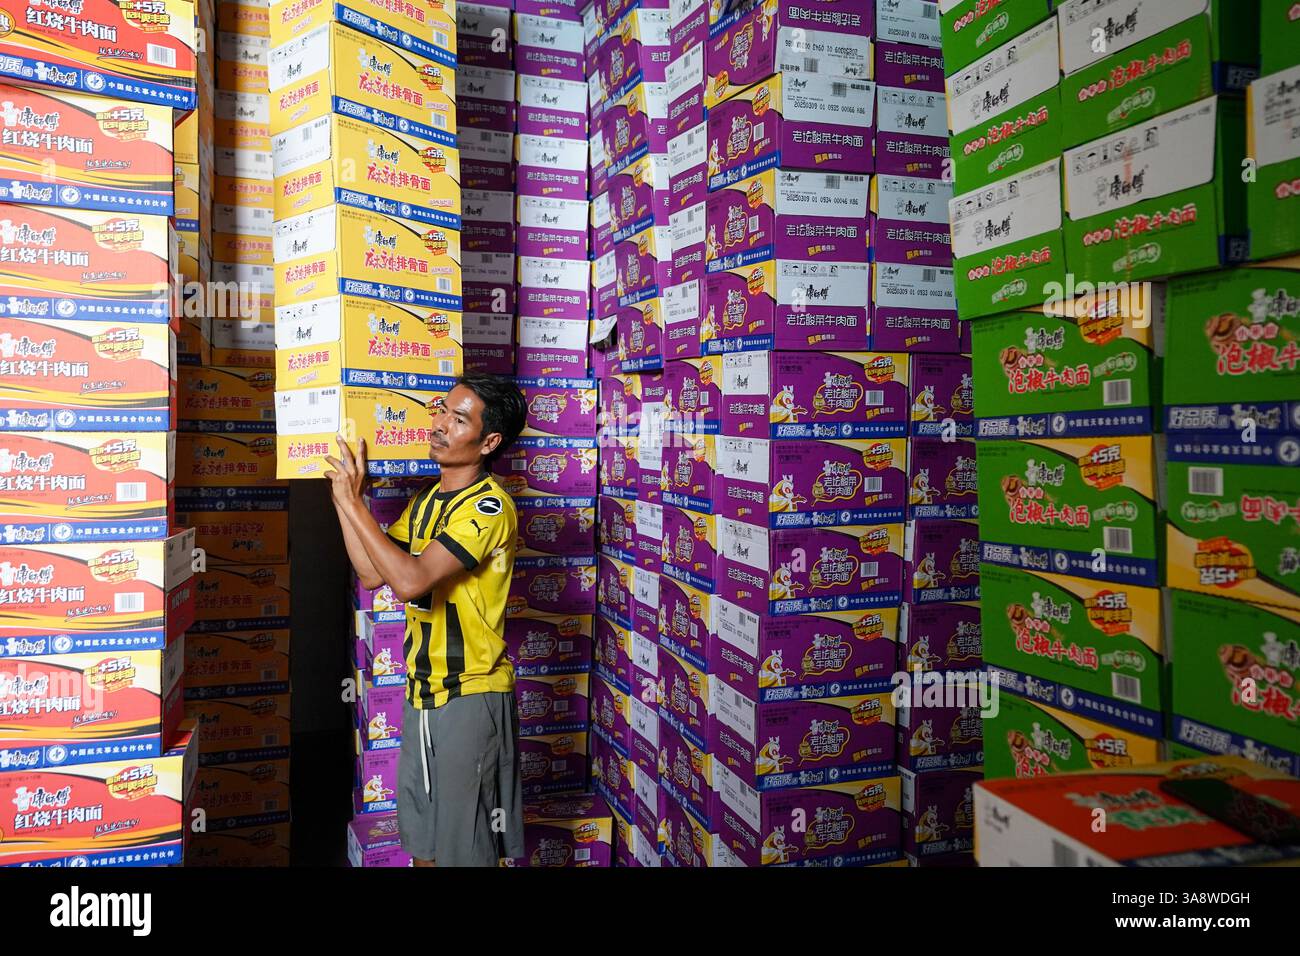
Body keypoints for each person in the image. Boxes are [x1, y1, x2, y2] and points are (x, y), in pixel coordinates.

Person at [324, 373, 528, 867]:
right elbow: (374, 573)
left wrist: (356, 505)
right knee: (425, 847)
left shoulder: (487, 507)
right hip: (423, 693)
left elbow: (412, 580)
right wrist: (341, 499)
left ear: (489, 442)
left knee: (467, 853)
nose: (439, 424)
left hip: (471, 696)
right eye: (441, 411)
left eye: (458, 420)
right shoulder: (426, 502)